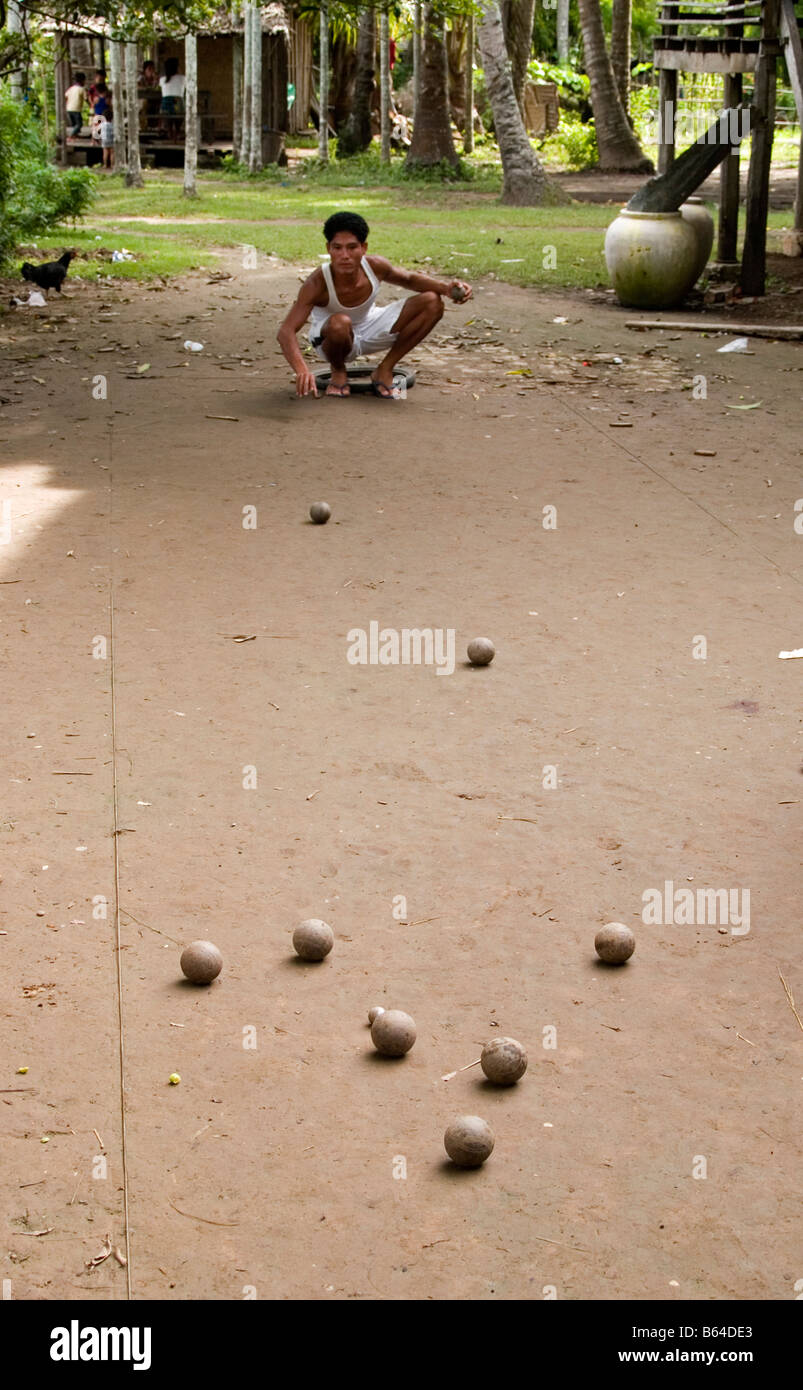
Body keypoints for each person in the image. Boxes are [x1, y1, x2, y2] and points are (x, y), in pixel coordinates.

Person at [276, 211, 472, 399]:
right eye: (337, 248)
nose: (345, 255)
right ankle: (338, 371)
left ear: (364, 248)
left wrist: (446, 288)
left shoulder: (375, 266)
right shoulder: (317, 282)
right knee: (340, 322)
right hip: (331, 337)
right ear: (329, 249)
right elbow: (286, 331)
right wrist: (302, 370)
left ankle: (385, 369)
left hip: (369, 326)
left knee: (432, 301)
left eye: (352, 247)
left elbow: (410, 279)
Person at [159, 57, 185, 137]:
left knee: (168, 119)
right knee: (179, 117)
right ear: (177, 67)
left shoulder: (162, 79)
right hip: (178, 104)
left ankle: (169, 132)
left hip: (165, 105)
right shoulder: (182, 78)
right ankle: (177, 131)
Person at [64, 72, 86, 137]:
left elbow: (66, 95)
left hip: (69, 108)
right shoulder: (81, 89)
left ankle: (75, 135)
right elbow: (86, 98)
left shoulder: (71, 88)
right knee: (79, 124)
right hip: (76, 109)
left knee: (75, 124)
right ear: (83, 81)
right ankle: (72, 135)